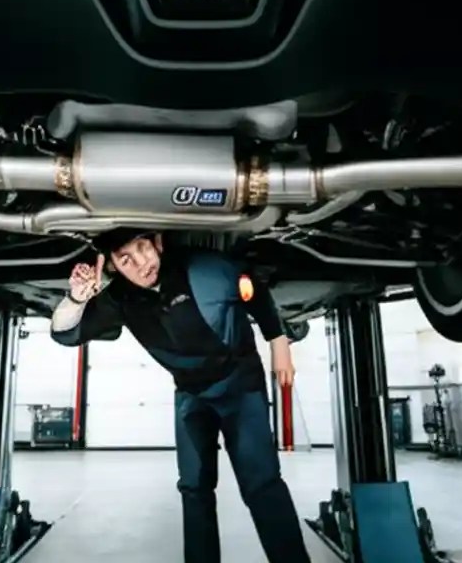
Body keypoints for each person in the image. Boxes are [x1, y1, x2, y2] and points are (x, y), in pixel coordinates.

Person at [50, 229, 310, 563]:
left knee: (261, 484)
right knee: (194, 489)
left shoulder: (202, 268)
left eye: (142, 248)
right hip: (192, 394)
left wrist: (279, 346)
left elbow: (253, 288)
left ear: (157, 243)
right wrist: (76, 299)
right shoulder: (121, 299)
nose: (141, 264)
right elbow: (65, 335)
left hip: (240, 386)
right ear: (113, 266)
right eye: (126, 260)